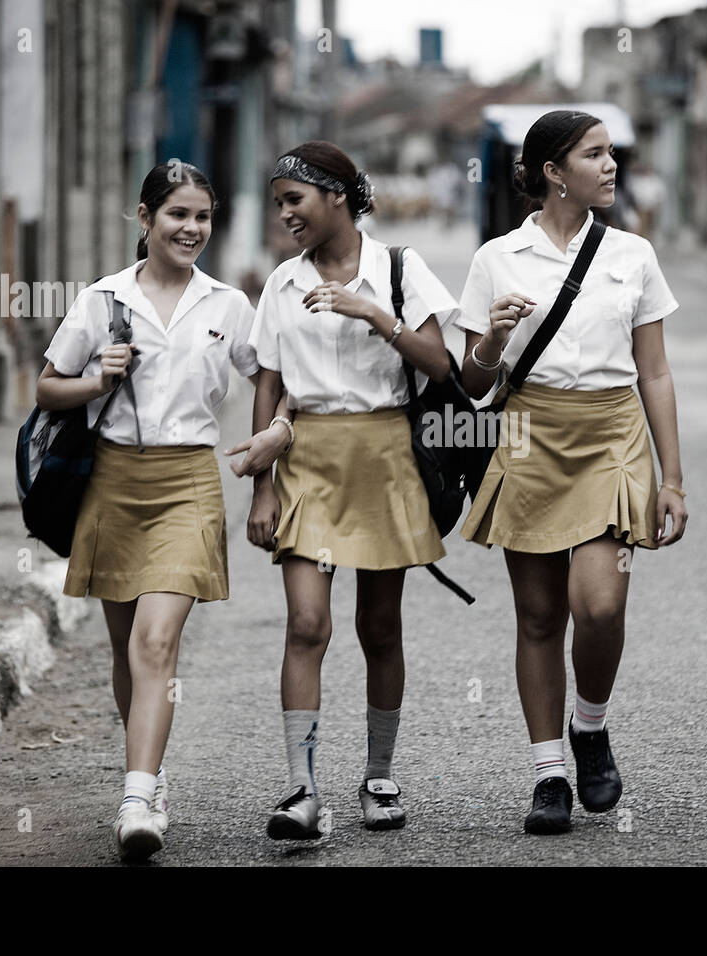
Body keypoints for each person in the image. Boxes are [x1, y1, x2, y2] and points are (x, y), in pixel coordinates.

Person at [36, 161, 285, 860]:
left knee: (155, 644)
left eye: (202, 216)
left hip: (188, 485)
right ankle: (150, 772)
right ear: (144, 218)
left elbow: (269, 375)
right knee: (126, 651)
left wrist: (269, 454)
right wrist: (97, 378)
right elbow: (47, 388)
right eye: (177, 214)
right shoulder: (103, 300)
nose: (192, 229)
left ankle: (137, 799)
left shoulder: (228, 304)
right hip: (113, 483)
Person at [456, 110, 688, 834]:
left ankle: (590, 724)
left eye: (611, 152)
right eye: (594, 155)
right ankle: (549, 772)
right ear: (554, 173)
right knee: (537, 616)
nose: (612, 164)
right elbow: (473, 384)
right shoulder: (498, 257)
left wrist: (672, 478)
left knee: (600, 606)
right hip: (530, 434)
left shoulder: (632, 254)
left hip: (613, 434)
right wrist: (493, 332)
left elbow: (654, 371)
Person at [231, 141, 462, 840]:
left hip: (385, 453)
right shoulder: (280, 284)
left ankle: (380, 776)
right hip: (306, 457)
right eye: (277, 203)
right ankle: (301, 789)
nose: (284, 215)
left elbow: (440, 363)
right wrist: (261, 489)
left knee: (380, 626)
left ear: (337, 196)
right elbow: (268, 382)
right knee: (307, 623)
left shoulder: (400, 267)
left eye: (294, 200)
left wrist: (371, 313)